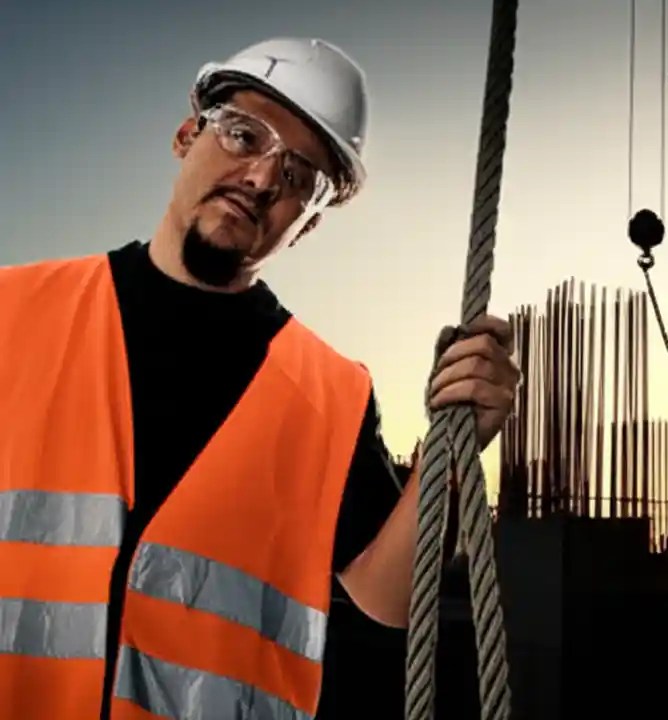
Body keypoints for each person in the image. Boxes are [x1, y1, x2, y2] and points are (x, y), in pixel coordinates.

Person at [0, 37, 520, 719]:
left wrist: (453, 452)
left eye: (301, 176)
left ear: (305, 225)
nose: (263, 178)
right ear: (187, 136)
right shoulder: (14, 312)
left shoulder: (332, 395)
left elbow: (387, 599)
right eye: (244, 136)